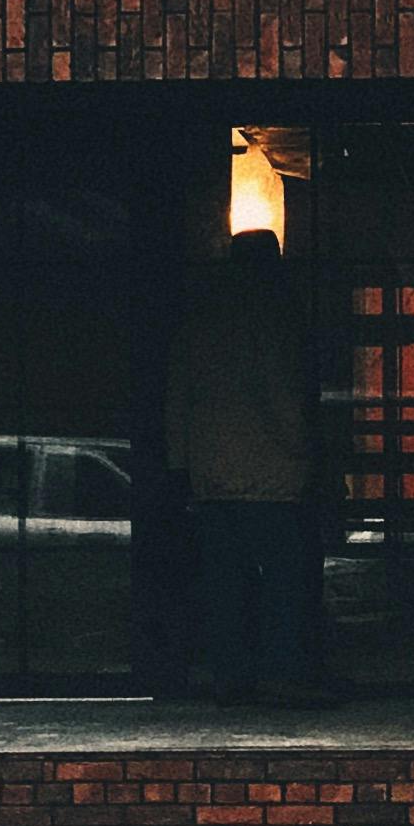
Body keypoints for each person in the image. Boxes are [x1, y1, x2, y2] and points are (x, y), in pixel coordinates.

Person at [164, 226, 317, 699]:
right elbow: (286, 394)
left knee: (224, 583)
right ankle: (281, 672)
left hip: (212, 475)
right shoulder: (276, 315)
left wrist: (182, 463)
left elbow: (178, 397)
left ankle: (230, 674)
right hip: (272, 474)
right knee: (283, 582)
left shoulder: (203, 317)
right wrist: (307, 453)